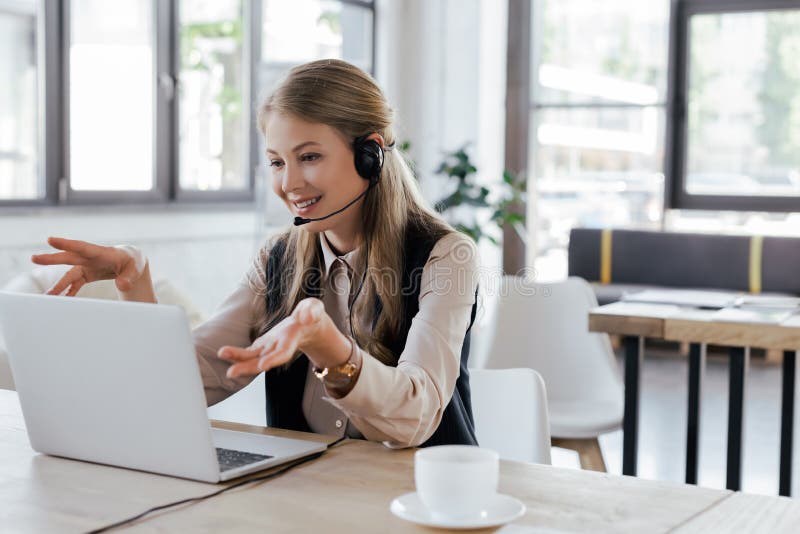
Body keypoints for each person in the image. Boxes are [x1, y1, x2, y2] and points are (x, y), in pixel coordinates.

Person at [31, 59, 480, 448]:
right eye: (277, 162)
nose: (288, 185)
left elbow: (415, 417)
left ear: (370, 155)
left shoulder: (446, 256)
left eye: (308, 157)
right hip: (304, 501)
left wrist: (328, 347)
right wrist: (136, 281)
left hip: (421, 505)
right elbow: (178, 385)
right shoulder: (278, 258)